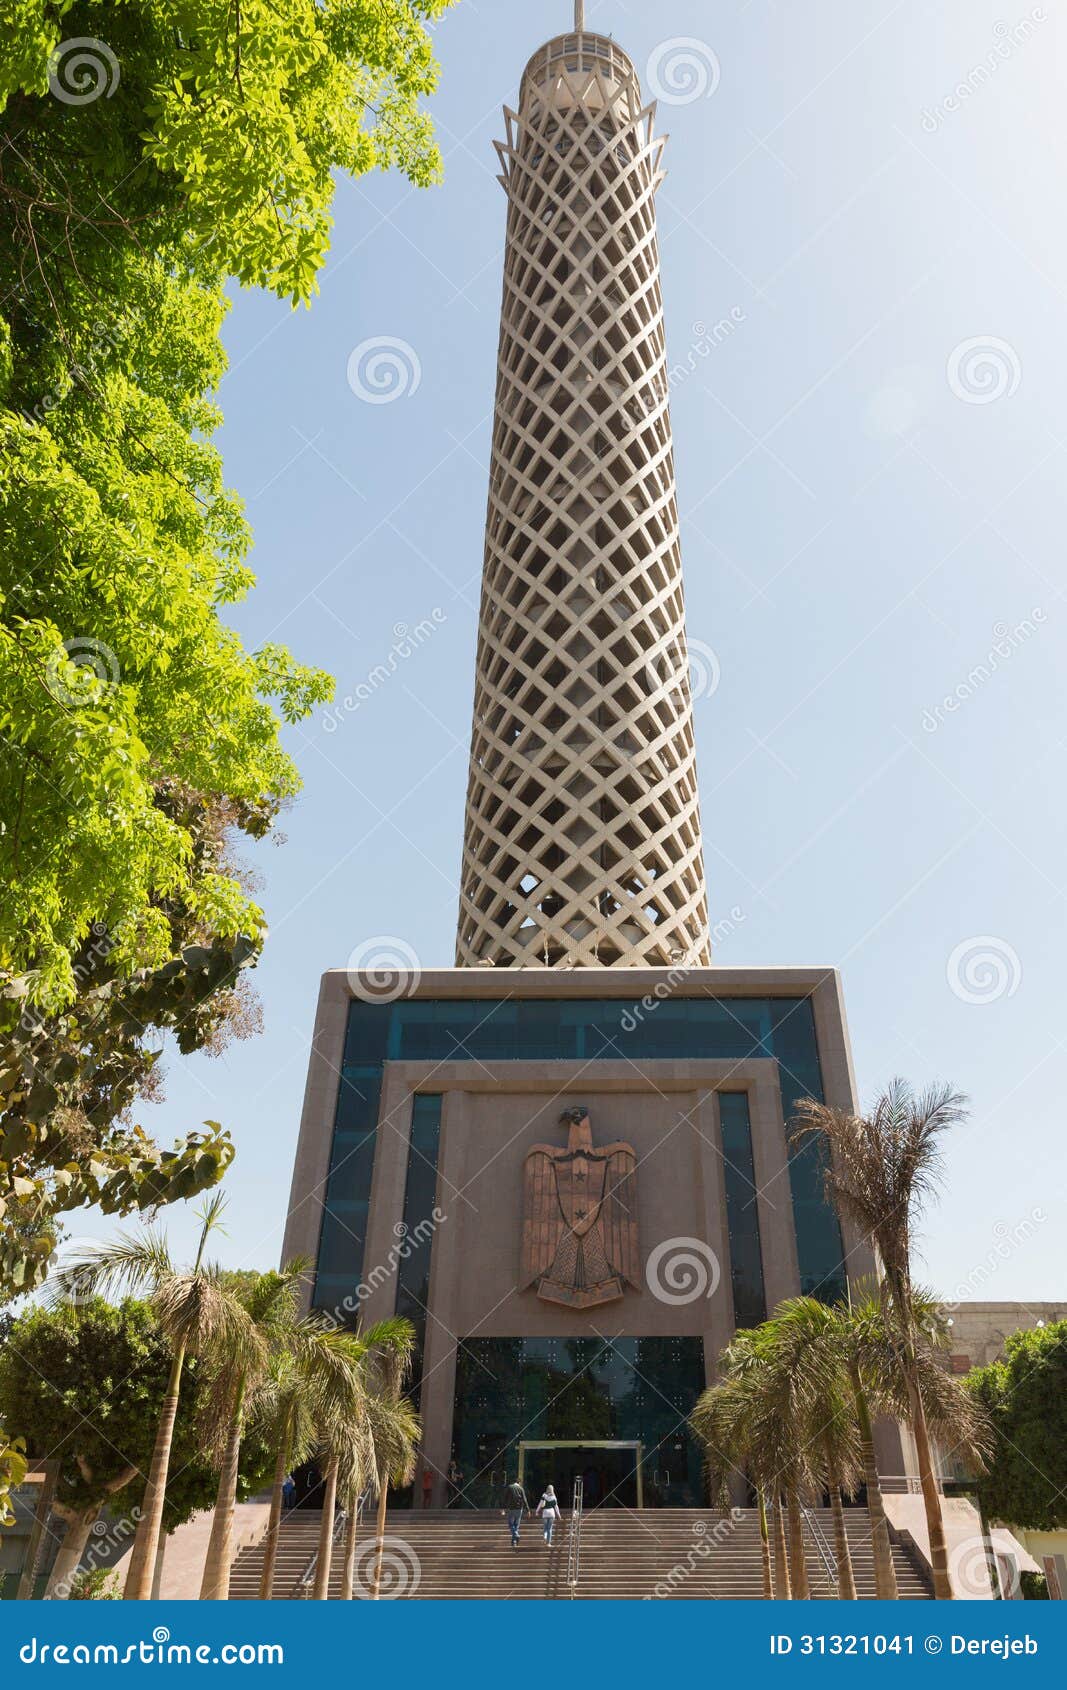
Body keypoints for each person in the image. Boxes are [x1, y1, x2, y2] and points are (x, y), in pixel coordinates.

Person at [501, 1477, 529, 1549]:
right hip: (519, 1509)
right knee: (516, 1525)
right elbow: (524, 1499)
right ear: (519, 1482)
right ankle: (514, 1542)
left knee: (511, 1524)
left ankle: (516, 1535)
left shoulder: (510, 1487)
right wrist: (528, 1510)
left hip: (511, 1509)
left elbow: (505, 1498)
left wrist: (503, 1508)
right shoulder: (521, 1489)